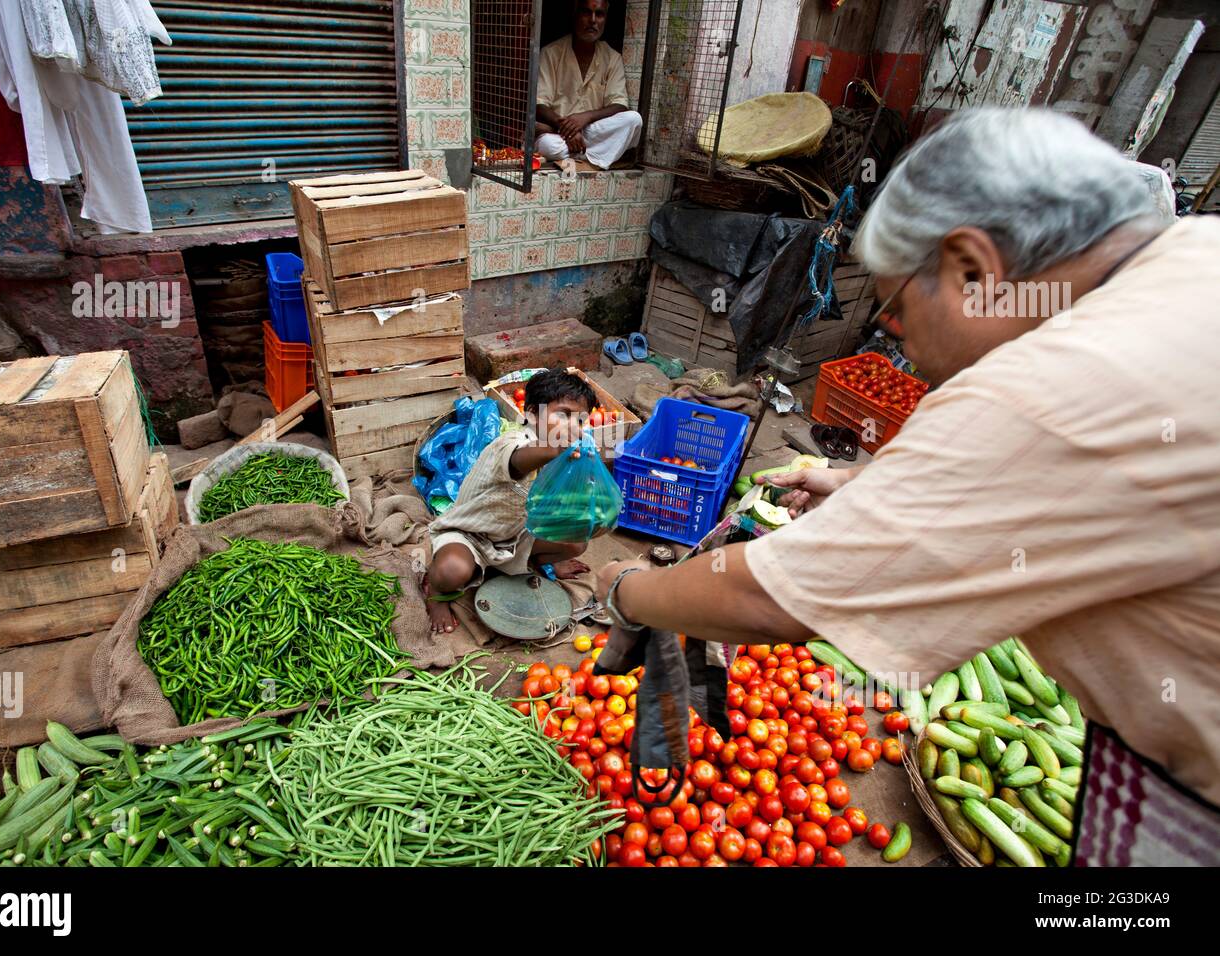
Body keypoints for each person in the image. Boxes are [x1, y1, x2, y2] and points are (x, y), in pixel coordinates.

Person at [594, 107, 1220, 863]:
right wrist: (866, 482)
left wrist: (630, 591)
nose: (891, 331)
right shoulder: (1191, 262)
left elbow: (769, 598)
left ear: (974, 270)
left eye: (895, 304)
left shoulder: (1047, 385)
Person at [425, 368, 598, 634]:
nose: (572, 426)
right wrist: (556, 448)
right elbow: (519, 462)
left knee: (576, 540)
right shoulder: (512, 443)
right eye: (563, 414)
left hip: (515, 536)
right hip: (470, 536)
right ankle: (434, 591)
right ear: (530, 413)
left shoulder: (565, 457)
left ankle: (539, 562)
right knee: (452, 571)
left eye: (580, 420)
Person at [535, 0, 642, 170]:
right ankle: (600, 155)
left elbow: (620, 105)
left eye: (599, 14)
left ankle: (582, 154)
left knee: (634, 120)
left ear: (605, 19)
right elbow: (539, 105)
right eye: (586, 12)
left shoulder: (612, 58)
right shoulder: (551, 53)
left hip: (592, 132)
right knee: (547, 145)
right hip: (558, 132)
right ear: (575, 15)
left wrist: (586, 117)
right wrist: (568, 129)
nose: (593, 20)